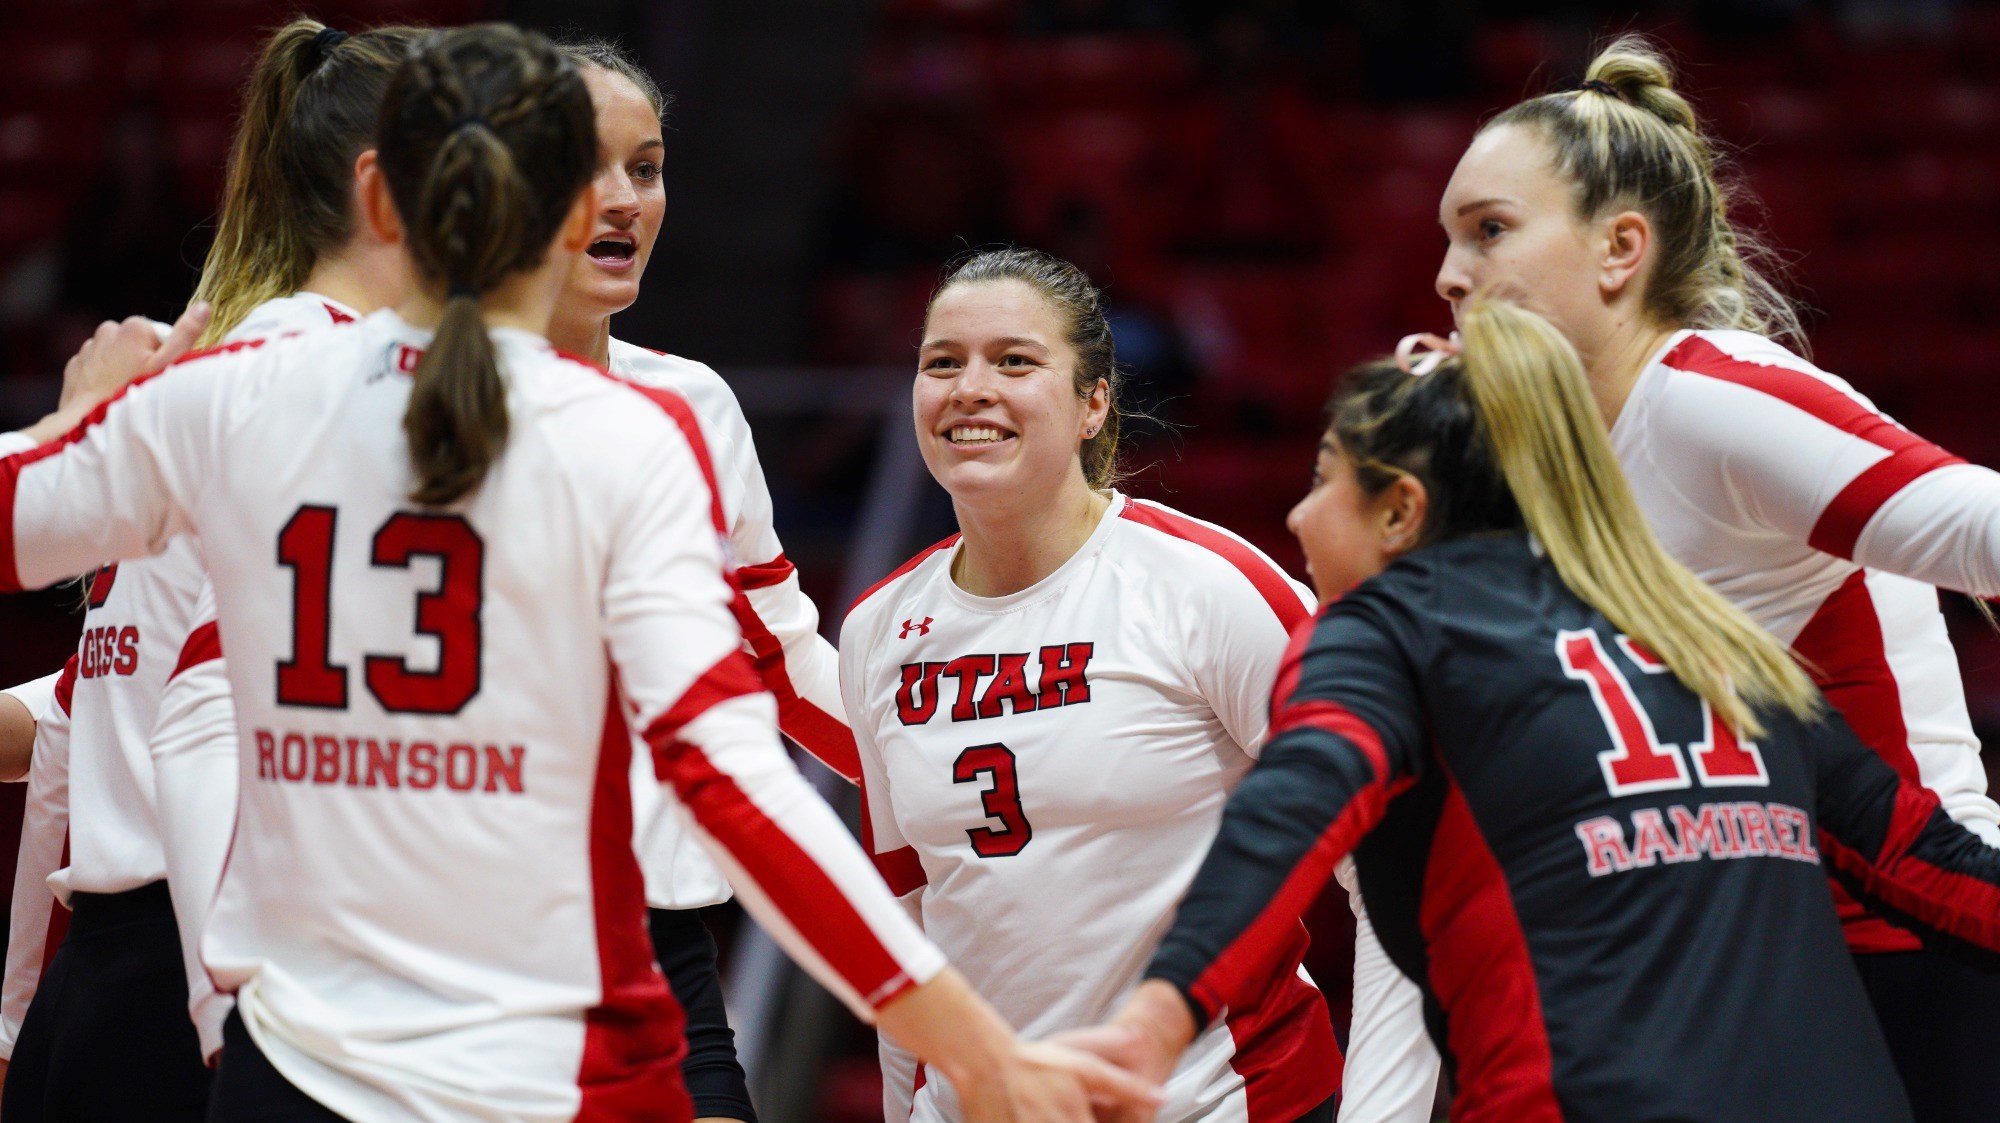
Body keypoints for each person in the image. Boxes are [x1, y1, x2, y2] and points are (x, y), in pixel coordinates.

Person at [0, 25, 1155, 1123]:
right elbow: (732, 781)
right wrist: (972, 1042)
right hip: (545, 1043)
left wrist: (85, 423)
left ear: (376, 200)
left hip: (303, 1057)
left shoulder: (231, 393)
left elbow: (196, 691)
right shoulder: (617, 439)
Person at [1071, 298, 2000, 1122]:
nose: (1303, 517)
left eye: (1323, 479)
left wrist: (1161, 1011)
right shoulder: (1708, 627)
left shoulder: (1390, 628)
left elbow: (1290, 810)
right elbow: (1932, 864)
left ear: (1402, 511)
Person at [1430, 35, 2000, 1118]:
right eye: (1448, 240)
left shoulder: (1708, 398)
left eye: (1488, 231)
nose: (1448, 274)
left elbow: (1982, 527)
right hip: (1731, 963)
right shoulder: (1530, 454)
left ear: (1618, 250)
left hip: (1910, 950)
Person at [0, 23, 417, 1121]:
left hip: (139, 976)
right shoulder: (318, 385)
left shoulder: (225, 364)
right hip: (225, 976)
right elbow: (198, 718)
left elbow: (103, 703)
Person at [844, 247, 1344, 1122]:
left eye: (1015, 361)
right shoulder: (876, 631)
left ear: (1093, 402)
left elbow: (1383, 869)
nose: (970, 387)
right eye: (942, 362)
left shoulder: (1213, 586)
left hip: (1215, 1100)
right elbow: (910, 919)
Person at [544, 41, 856, 1121]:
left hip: (656, 943)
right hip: (459, 951)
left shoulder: (693, 404)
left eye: (649, 166)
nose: (625, 200)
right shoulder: (390, 402)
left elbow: (781, 656)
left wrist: (935, 766)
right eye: (589, 165)